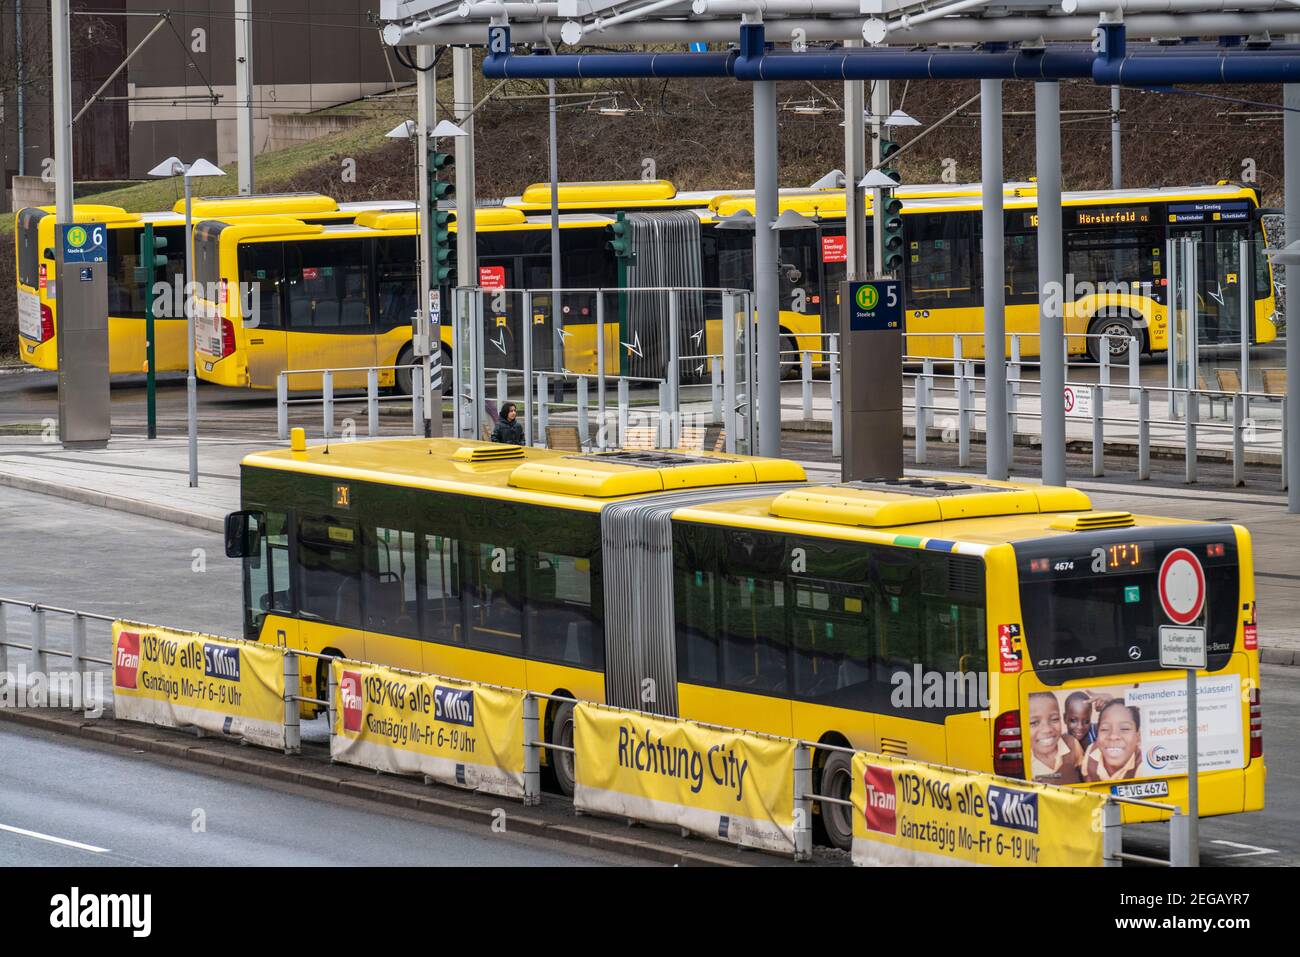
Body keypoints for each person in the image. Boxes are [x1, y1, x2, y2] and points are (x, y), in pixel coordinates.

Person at [1027, 692, 1083, 785]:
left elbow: (1087, 775)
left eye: (1055, 719)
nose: (1047, 729)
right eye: (1033, 723)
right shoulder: (1024, 761)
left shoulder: (1072, 744)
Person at [1081, 699, 1143, 782]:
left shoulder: (1143, 767)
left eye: (1124, 728)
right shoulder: (1091, 752)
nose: (1113, 736)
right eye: (1105, 729)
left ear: (1138, 736)